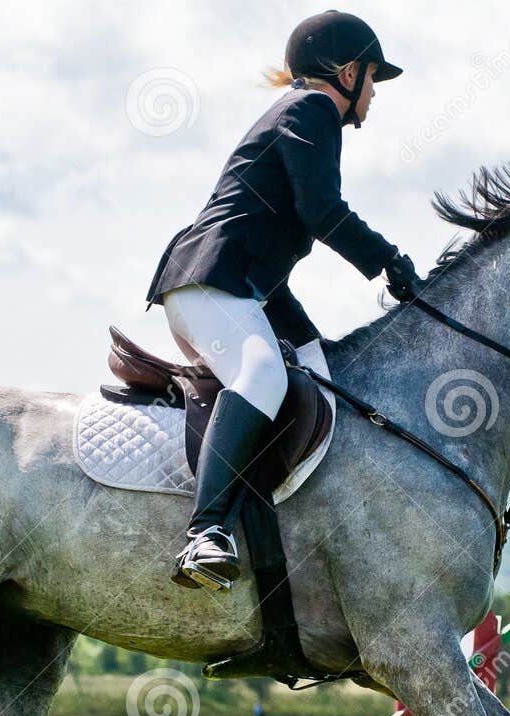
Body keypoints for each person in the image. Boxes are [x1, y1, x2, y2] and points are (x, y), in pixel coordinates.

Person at [146, 10, 424, 591]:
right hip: (210, 279)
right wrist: (389, 261)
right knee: (263, 373)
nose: (375, 92)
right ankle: (205, 533)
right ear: (347, 74)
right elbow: (321, 212)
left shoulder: (304, 111)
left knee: (326, 378)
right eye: (373, 78)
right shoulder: (312, 110)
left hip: (253, 286)